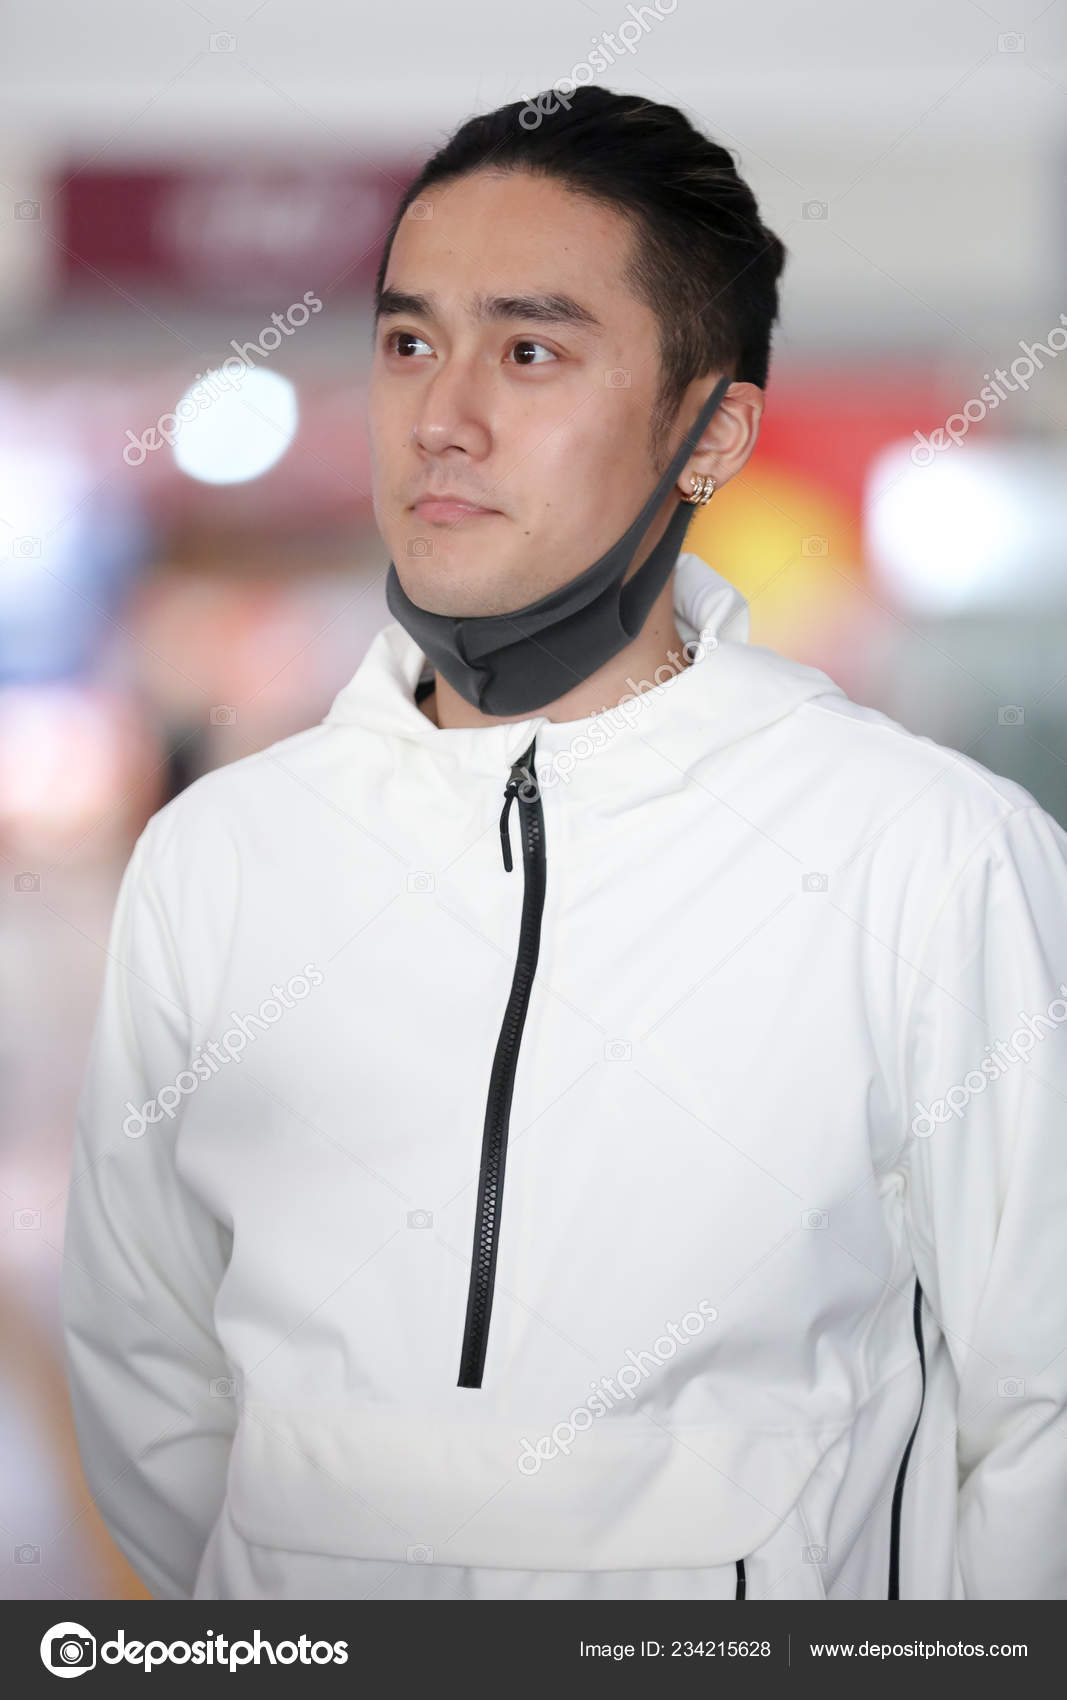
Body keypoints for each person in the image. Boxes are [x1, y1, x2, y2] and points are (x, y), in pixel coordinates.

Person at [62, 86, 1067, 1602]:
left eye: (530, 351)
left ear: (711, 430)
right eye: (411, 342)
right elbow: (149, 1379)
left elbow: (1044, 1400)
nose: (443, 417)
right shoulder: (218, 860)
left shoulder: (928, 855)